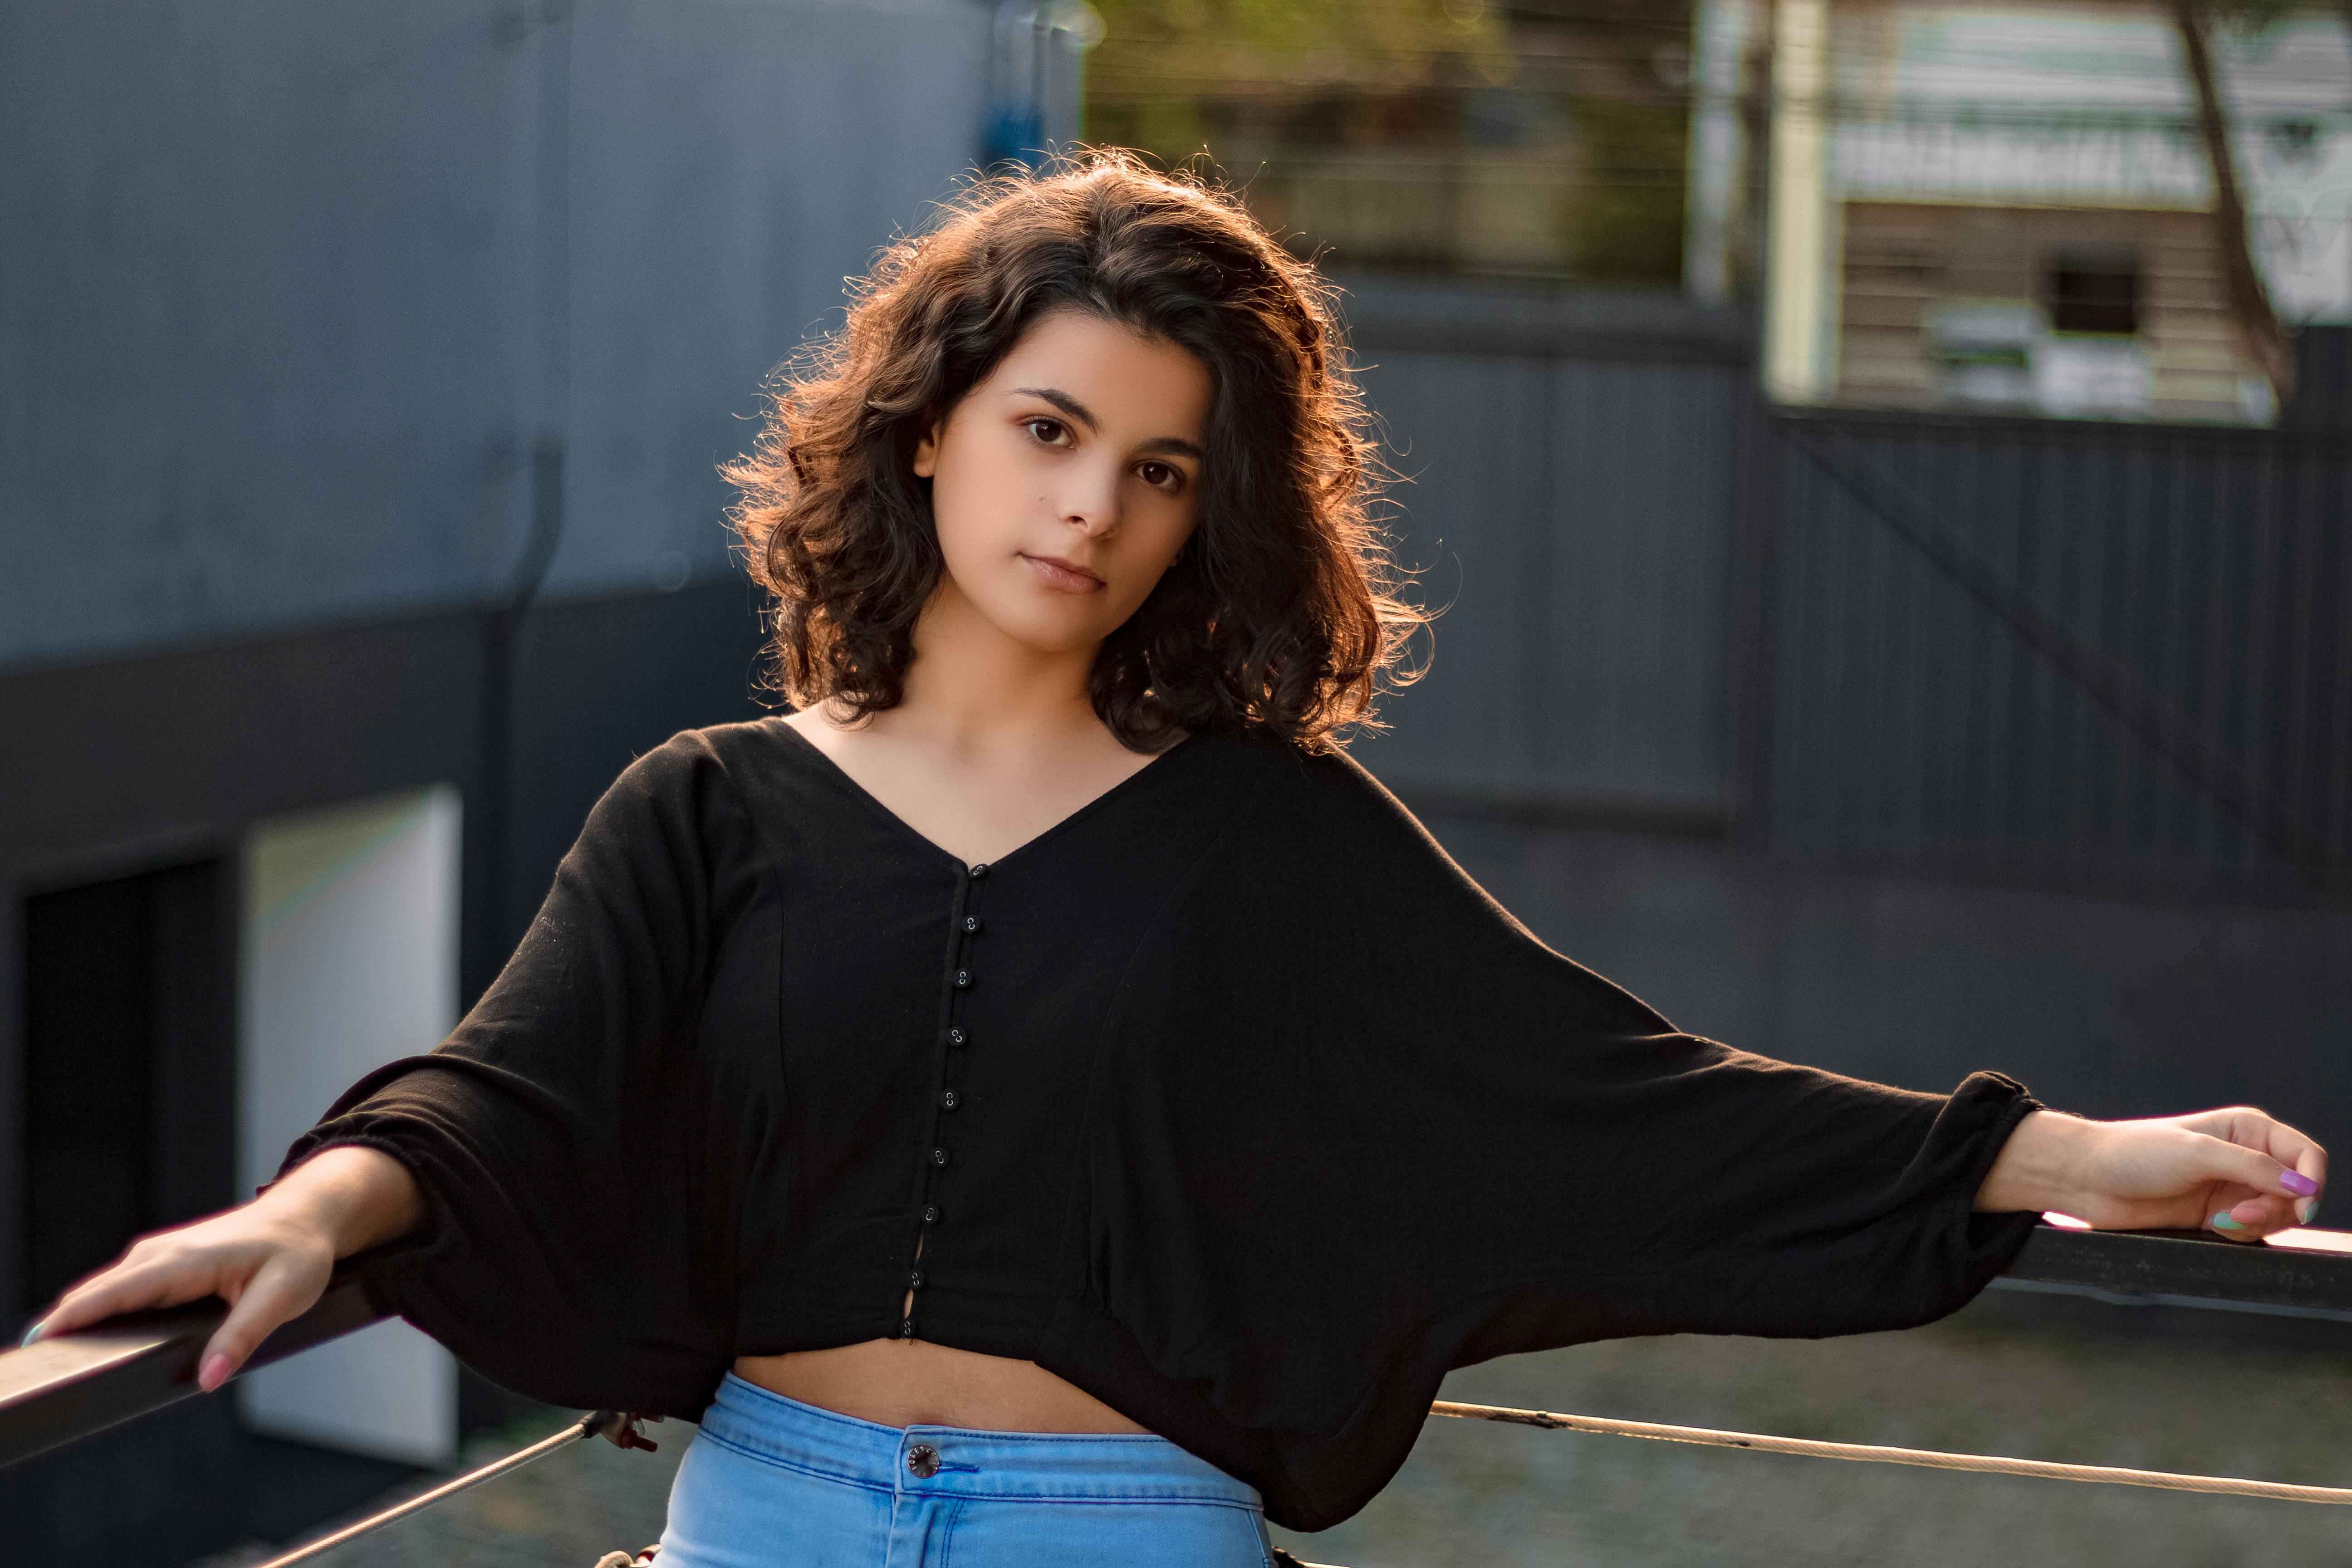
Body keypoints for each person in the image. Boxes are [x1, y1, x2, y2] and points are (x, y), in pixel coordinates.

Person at [29, 153, 2326, 1568]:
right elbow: (501, 1096)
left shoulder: (1267, 843)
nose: (1089, 512)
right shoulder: (706, 807)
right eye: (1047, 432)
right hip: (762, 1524)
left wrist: (2054, 1155)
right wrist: (298, 1217)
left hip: (1114, 1543)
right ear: (926, 433)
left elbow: (1614, 1105)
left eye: (1156, 468)